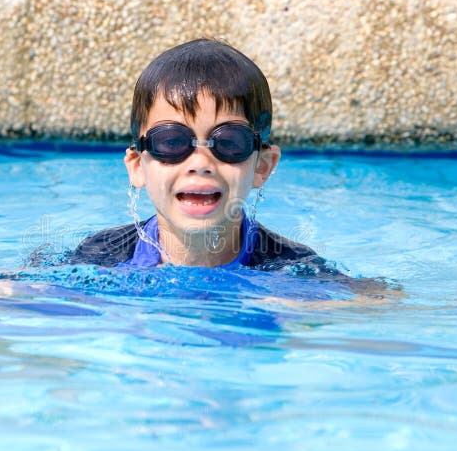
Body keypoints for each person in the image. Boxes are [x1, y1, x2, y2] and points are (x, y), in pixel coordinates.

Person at [38, 38, 344, 279]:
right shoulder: (100, 257)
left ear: (262, 166)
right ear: (138, 166)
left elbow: (364, 304)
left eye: (229, 142)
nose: (200, 163)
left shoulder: (294, 271)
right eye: (172, 141)